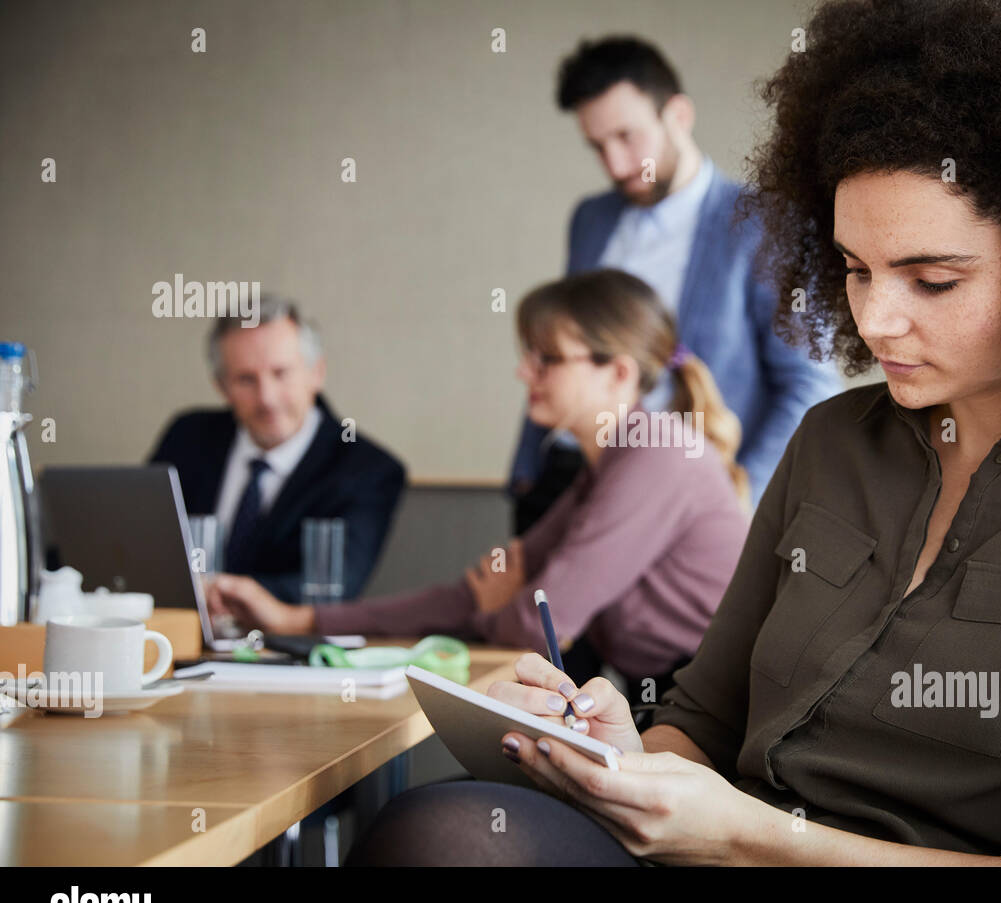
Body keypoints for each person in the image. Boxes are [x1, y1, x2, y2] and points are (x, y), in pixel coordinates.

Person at [345, 0, 1001, 866]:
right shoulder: (834, 439)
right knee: (439, 830)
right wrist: (621, 754)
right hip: (711, 846)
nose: (876, 322)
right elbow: (701, 722)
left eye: (933, 280)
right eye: (853, 268)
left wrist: (750, 839)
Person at [208, 270, 750, 697]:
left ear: (620, 374)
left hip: (717, 724)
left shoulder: (656, 453)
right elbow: (469, 596)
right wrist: (298, 618)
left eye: (548, 359)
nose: (523, 373)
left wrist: (499, 610)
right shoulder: (608, 465)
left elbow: (535, 627)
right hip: (674, 705)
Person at [508, 35, 842, 533]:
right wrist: (524, 470)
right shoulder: (591, 219)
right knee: (531, 612)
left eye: (627, 136)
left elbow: (809, 384)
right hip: (562, 479)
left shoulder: (765, 224)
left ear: (679, 115)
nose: (616, 164)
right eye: (598, 146)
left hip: (672, 494)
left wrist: (735, 499)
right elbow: (561, 347)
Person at [149, 296, 406, 603]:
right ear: (221, 386)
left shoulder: (366, 469)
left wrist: (223, 593)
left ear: (317, 373)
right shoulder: (188, 436)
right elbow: (141, 540)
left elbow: (336, 587)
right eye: (246, 379)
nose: (267, 398)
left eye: (281, 373)